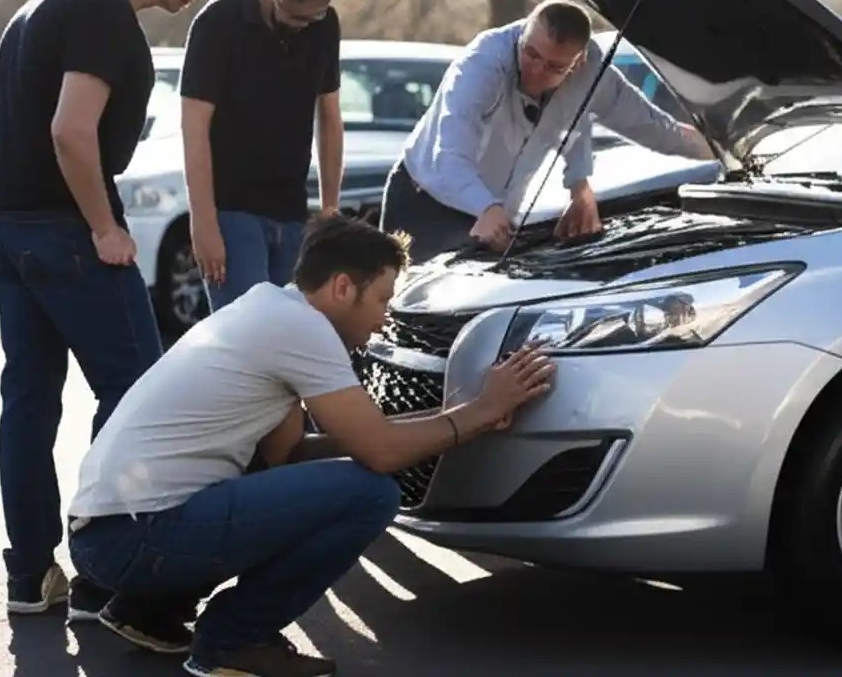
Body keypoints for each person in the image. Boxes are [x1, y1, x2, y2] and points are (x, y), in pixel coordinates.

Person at [67, 214, 555, 676]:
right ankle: (233, 638)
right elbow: (379, 453)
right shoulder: (303, 329)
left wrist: (456, 416)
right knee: (372, 493)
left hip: (108, 538)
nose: (384, 319)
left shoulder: (269, 307)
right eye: (383, 299)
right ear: (343, 288)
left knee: (291, 476)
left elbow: (289, 456)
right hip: (138, 538)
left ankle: (149, 610)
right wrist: (481, 411)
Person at [0, 0, 217, 622]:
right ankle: (103, 577)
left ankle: (30, 576)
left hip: (8, 224)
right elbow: (70, 130)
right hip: (64, 230)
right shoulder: (102, 11)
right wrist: (105, 228)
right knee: (139, 393)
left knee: (28, 397)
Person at [379, 0, 715, 264]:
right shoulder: (481, 64)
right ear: (523, 33)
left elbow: (644, 124)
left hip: (499, 216)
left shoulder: (591, 71)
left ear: (578, 61)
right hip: (426, 201)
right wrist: (485, 207)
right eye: (531, 54)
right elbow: (448, 154)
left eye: (554, 67)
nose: (537, 72)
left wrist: (718, 150)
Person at [181, 0, 344, 313]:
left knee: (288, 338)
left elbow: (330, 117)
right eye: (296, 15)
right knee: (245, 338)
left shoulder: (325, 25)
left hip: (291, 212)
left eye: (315, 16)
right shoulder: (218, 23)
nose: (305, 25)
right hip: (232, 213)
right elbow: (194, 127)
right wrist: (204, 222)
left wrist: (330, 208)